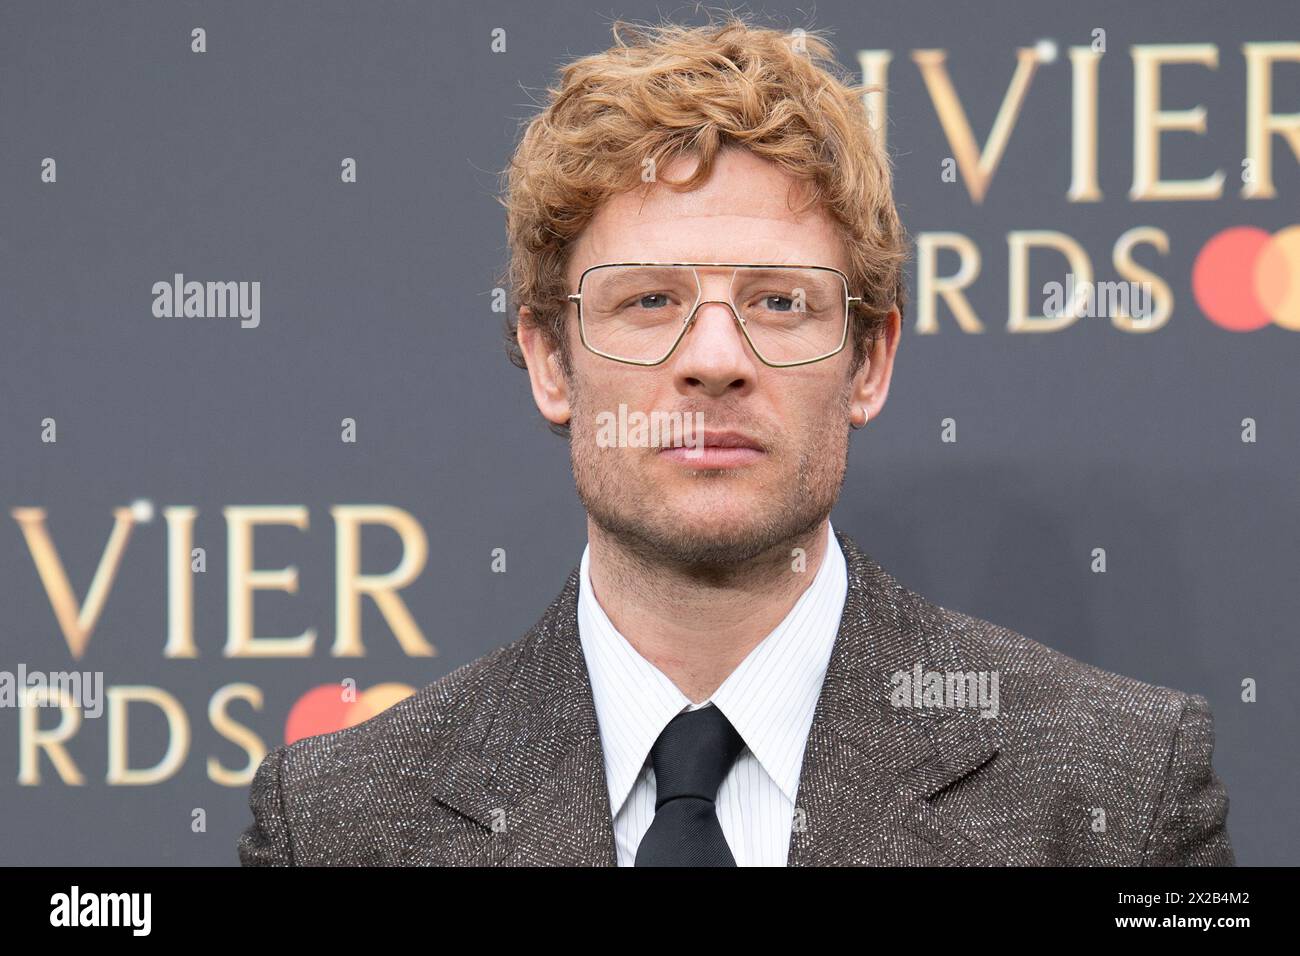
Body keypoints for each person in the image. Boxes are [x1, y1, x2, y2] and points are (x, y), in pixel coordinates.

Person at [238, 14, 1232, 866]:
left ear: (869, 360)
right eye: (650, 298)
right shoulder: (338, 821)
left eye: (776, 299)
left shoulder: (1115, 791)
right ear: (548, 358)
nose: (715, 358)